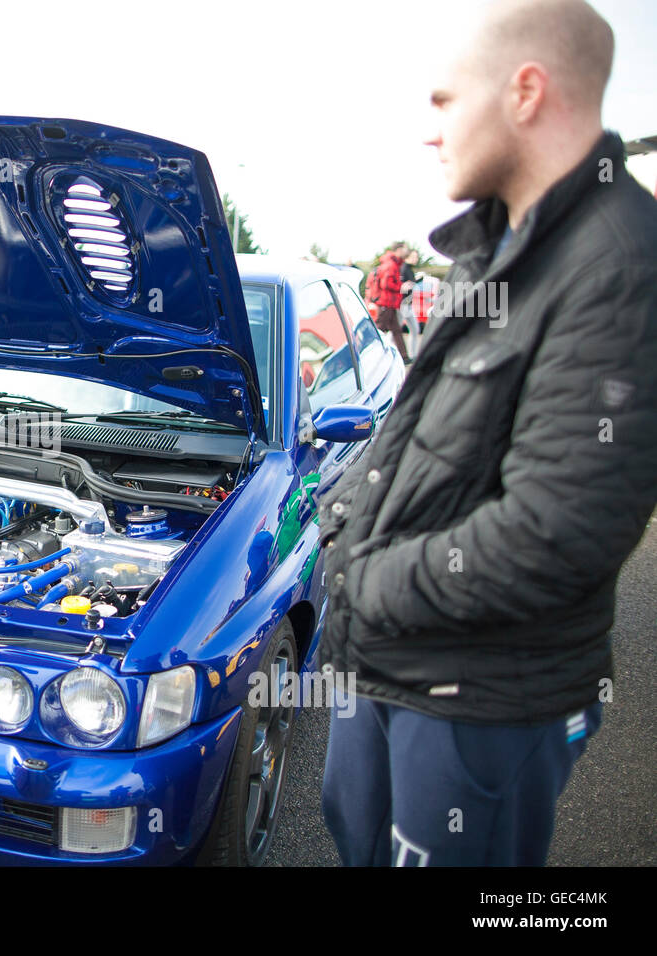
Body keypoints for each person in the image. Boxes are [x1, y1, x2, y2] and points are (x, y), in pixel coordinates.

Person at [317, 0, 657, 866]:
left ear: (526, 93)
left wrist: (364, 579)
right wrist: (343, 516)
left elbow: (559, 530)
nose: (430, 132)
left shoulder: (616, 264)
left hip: (477, 705)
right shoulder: (494, 250)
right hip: (389, 668)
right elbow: (413, 431)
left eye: (443, 101)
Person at [371, 242, 410, 361]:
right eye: (405, 249)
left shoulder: (393, 264)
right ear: (398, 250)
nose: (406, 251)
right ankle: (370, 355)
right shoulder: (391, 264)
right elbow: (386, 284)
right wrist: (401, 287)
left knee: (396, 330)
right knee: (379, 330)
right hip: (386, 303)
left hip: (390, 303)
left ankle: (404, 357)